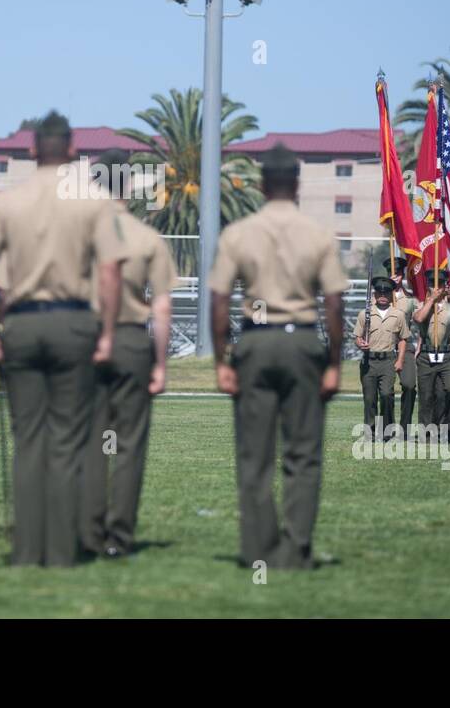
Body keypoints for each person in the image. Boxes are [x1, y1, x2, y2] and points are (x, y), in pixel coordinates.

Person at [0, 111, 127, 567]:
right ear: (72, 150)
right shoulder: (93, 201)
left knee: (27, 441)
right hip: (74, 324)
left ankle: (25, 550)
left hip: (21, 325)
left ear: (32, 148)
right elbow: (112, 272)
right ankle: (59, 551)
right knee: (65, 442)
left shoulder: (6, 202)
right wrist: (108, 333)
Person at [209, 144, 348, 570]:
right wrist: (334, 363)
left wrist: (221, 360)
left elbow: (218, 302)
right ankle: (296, 548)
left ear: (263, 185)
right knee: (303, 454)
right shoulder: (319, 234)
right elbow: (335, 305)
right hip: (303, 341)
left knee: (255, 455)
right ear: (298, 185)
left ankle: (259, 550)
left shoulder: (237, 234)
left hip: (254, 343)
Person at [80, 149, 176, 559]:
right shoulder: (147, 238)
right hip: (133, 341)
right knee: (129, 444)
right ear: (130, 184)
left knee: (90, 440)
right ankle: (119, 536)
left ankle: (87, 531)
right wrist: (160, 363)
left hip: (86, 339)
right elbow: (163, 307)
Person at [352, 276, 407, 440]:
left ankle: (388, 430)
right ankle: (370, 431)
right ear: (375, 294)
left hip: (388, 360)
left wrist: (400, 360)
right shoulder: (365, 314)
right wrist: (359, 343)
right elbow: (357, 336)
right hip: (369, 360)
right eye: (379, 292)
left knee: (386, 395)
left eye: (386, 292)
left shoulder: (398, 315)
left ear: (391, 295)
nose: (383, 295)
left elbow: (403, 339)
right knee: (369, 398)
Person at [412, 270, 450, 441]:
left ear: (445, 286)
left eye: (440, 284)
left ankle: (444, 430)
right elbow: (419, 319)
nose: (436, 288)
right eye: (433, 284)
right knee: (426, 397)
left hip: (446, 356)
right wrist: (431, 300)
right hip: (427, 356)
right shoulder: (421, 305)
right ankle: (426, 434)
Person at [390, 265, 419, 438]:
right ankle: (386, 426)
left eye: (399, 273)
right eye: (393, 273)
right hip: (385, 345)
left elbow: (421, 322)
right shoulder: (380, 297)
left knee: (409, 385)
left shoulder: (410, 299)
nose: (396, 277)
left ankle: (405, 427)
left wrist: (420, 343)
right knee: (385, 391)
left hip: (405, 346)